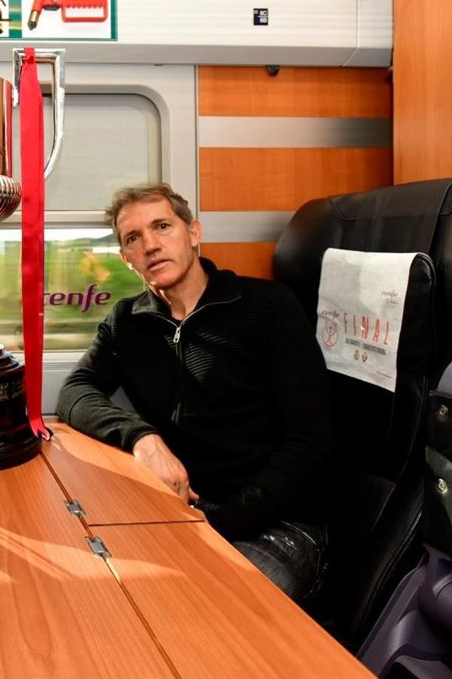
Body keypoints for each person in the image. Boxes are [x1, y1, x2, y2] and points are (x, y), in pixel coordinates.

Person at [56, 182, 333, 603]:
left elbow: (310, 442)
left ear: (193, 232)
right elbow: (75, 391)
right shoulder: (127, 322)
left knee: (208, 611)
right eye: (133, 238)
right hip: (178, 517)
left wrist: (222, 522)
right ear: (126, 259)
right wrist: (142, 439)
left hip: (277, 524)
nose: (151, 245)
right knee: (92, 593)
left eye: (162, 226)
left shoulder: (268, 307)